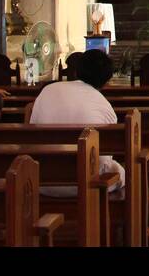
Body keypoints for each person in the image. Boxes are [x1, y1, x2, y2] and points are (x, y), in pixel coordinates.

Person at [28, 49, 125, 196]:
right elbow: (103, 160)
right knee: (121, 172)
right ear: (106, 81)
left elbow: (32, 133)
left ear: (76, 72)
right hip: (87, 184)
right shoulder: (105, 107)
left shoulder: (48, 90)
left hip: (41, 180)